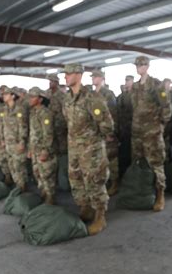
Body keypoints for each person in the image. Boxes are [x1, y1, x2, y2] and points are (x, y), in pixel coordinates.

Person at [62, 63, 114, 236]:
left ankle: (100, 215)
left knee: (94, 181)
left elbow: (107, 124)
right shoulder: (67, 99)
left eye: (69, 73)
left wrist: (94, 139)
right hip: (74, 148)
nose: (66, 76)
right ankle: (86, 208)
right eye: (65, 73)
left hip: (91, 149)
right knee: (75, 179)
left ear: (78, 75)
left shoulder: (92, 98)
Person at [131, 56, 172, 211]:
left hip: (152, 131)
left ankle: (160, 194)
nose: (138, 67)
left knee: (156, 162)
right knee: (139, 161)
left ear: (147, 66)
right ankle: (143, 192)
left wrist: (161, 125)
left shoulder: (156, 84)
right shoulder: (135, 86)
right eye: (137, 65)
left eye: (141, 65)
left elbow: (166, 107)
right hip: (137, 131)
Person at [91, 69, 119, 196]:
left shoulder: (108, 94)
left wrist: (110, 133)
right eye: (93, 77)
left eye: (96, 77)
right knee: (99, 160)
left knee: (111, 159)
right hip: (95, 133)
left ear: (102, 79)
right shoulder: (91, 95)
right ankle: (104, 183)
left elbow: (113, 114)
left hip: (107, 132)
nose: (93, 79)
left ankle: (115, 183)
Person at [28, 87, 57, 204]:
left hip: (43, 150)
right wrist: (30, 149)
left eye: (32, 97)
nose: (29, 99)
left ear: (40, 99)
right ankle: (43, 192)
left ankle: (50, 197)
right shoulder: (33, 112)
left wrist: (45, 150)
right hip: (35, 149)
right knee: (37, 173)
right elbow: (32, 133)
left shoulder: (46, 113)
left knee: (47, 175)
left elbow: (48, 133)